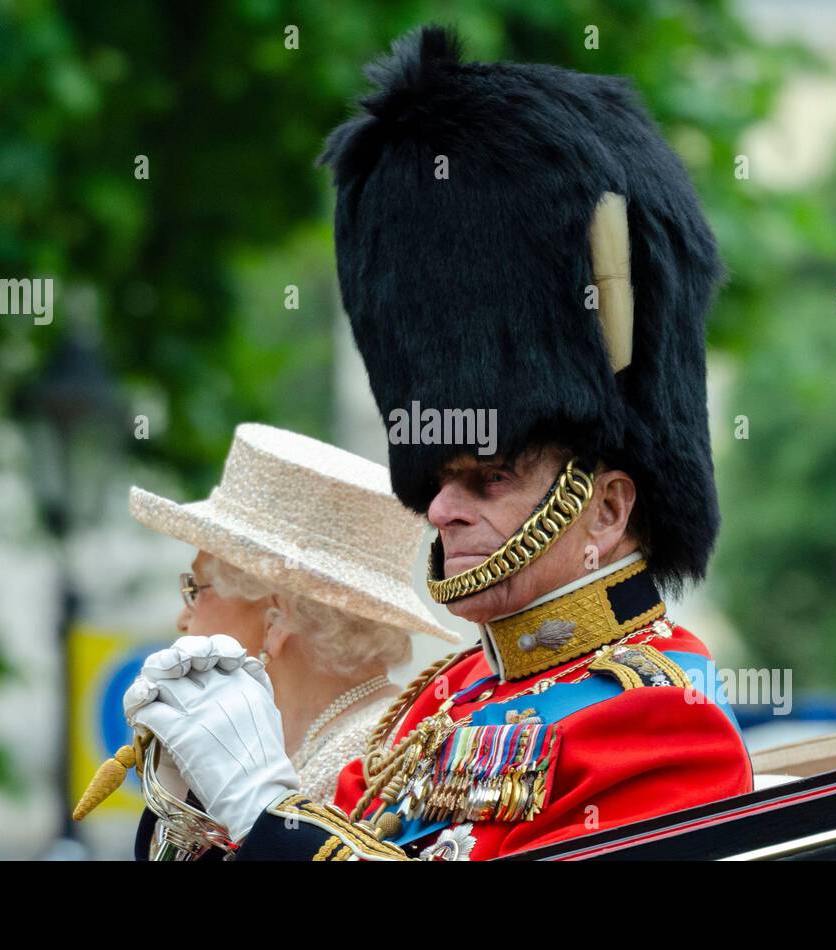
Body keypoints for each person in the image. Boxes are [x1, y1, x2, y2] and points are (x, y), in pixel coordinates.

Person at [123, 24, 753, 861]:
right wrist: (191, 801)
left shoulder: (664, 724)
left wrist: (264, 805)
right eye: (439, 477)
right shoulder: (443, 698)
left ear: (605, 507)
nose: (442, 507)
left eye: (487, 478)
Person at [123, 422, 460, 811]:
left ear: (277, 619)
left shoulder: (381, 755)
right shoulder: (293, 743)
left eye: (195, 590)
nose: (183, 618)